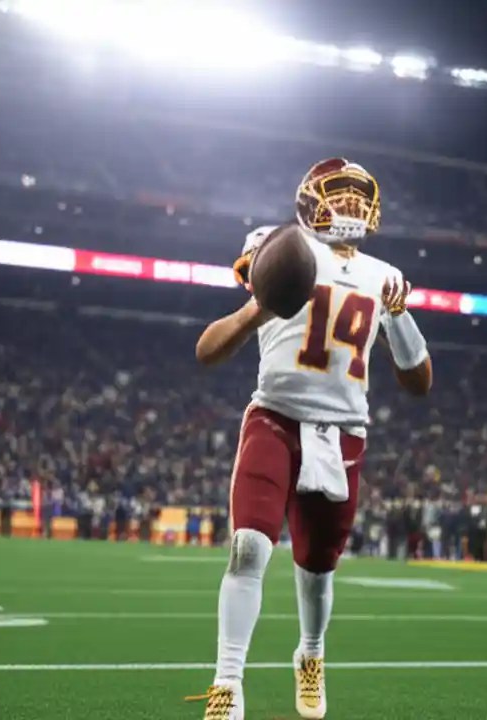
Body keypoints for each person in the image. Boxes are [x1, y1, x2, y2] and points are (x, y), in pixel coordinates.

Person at [188, 158, 432, 720]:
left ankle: (311, 654)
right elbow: (207, 350)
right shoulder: (281, 248)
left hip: (342, 433)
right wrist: (260, 304)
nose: (347, 206)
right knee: (249, 546)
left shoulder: (382, 275)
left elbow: (419, 381)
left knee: (317, 567)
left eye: (355, 197)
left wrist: (400, 317)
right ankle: (228, 681)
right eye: (336, 195)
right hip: (274, 417)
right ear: (309, 201)